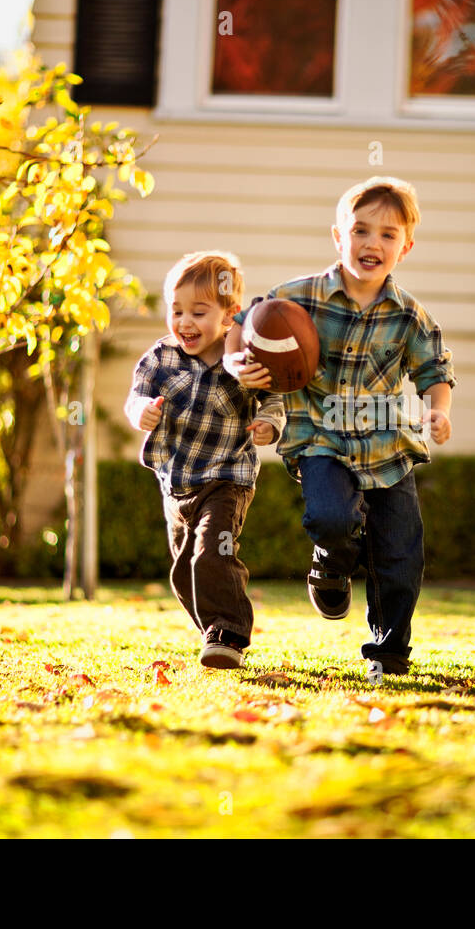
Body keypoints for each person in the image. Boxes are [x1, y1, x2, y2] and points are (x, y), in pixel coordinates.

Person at [223, 176, 455, 684]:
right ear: (338, 236)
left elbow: (435, 367)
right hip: (320, 437)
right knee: (331, 515)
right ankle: (330, 563)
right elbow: (243, 319)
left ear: (405, 247)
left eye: (388, 235)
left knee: (400, 552)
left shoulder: (409, 315)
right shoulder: (298, 297)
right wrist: (237, 362)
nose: (373, 243)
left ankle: (389, 653)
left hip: (388, 445)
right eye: (360, 230)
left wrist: (437, 409)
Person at [125, 250, 285, 669]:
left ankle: (228, 632)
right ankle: (213, 625)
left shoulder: (244, 362)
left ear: (229, 315)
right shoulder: (160, 358)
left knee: (212, 553)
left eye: (198, 312)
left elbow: (274, 399)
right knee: (184, 573)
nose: (184, 323)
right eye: (176, 311)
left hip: (227, 480)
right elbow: (135, 396)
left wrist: (269, 424)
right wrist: (140, 411)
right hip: (176, 483)